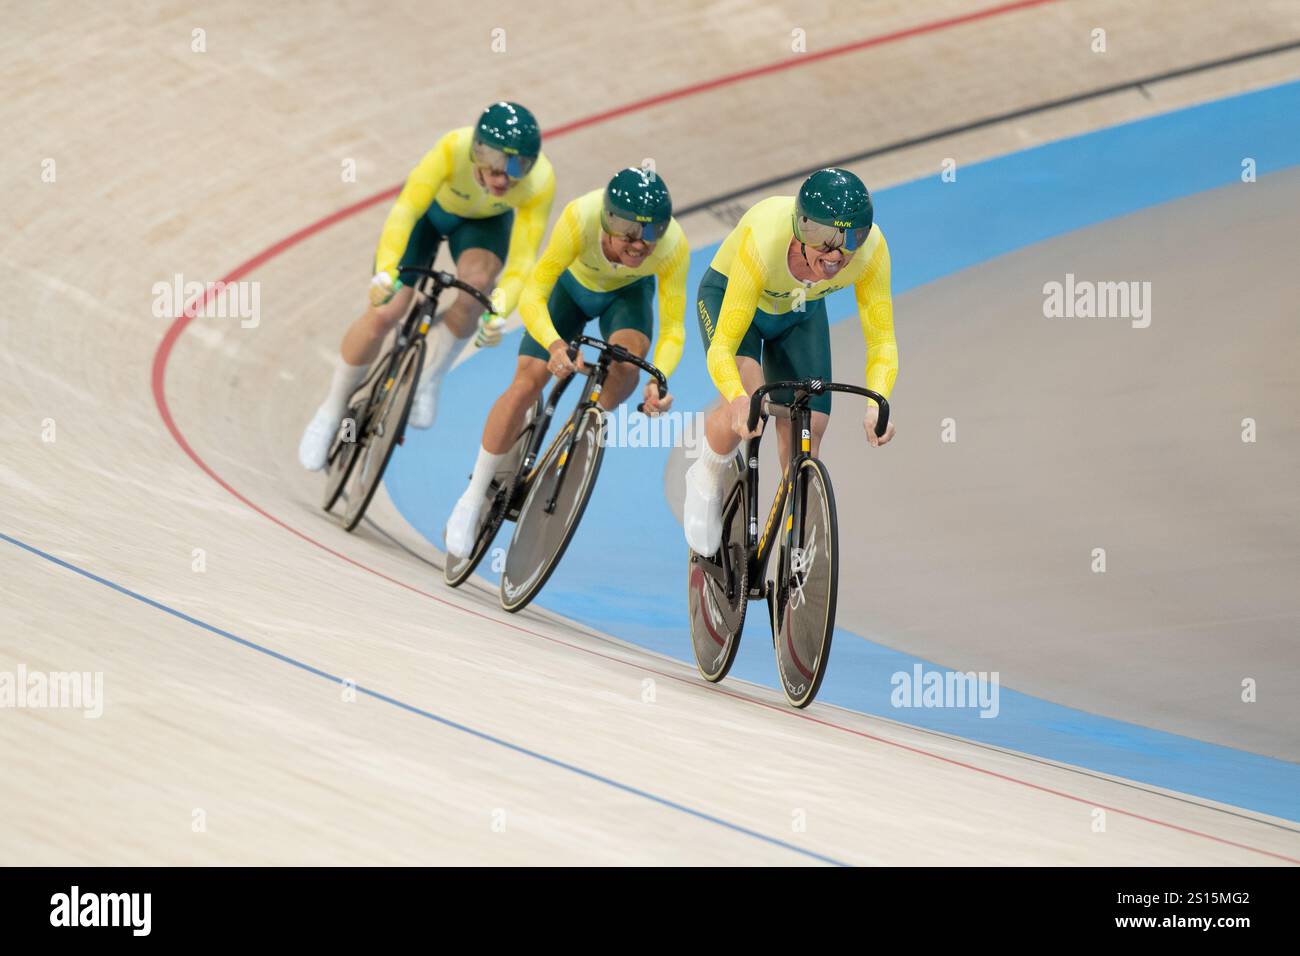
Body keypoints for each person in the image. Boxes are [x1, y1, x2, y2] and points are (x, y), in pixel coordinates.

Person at [444, 166, 689, 557]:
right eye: (629, 230)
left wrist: (659, 380)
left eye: (651, 232)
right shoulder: (580, 217)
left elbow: (674, 328)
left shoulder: (673, 244)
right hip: (569, 292)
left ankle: (585, 429)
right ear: (608, 219)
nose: (641, 244)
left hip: (625, 297)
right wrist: (556, 346)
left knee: (628, 363)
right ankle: (472, 498)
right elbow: (534, 294)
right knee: (527, 382)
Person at [297, 101, 555, 470]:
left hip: (483, 227)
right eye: (496, 167)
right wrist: (386, 271)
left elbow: (523, 261)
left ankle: (430, 378)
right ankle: (332, 408)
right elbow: (405, 211)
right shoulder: (452, 148)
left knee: (478, 288)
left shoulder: (540, 182)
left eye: (517, 169)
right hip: (428, 217)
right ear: (477, 151)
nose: (503, 180)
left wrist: (501, 309)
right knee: (388, 309)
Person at [684, 167, 898, 554]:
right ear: (800, 228)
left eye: (851, 237)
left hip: (800, 313)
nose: (836, 254)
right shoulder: (766, 238)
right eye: (822, 238)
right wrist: (736, 398)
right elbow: (722, 348)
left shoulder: (872, 253)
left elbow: (881, 340)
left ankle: (792, 543)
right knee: (752, 404)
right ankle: (706, 473)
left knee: (809, 427)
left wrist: (876, 404)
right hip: (733, 302)